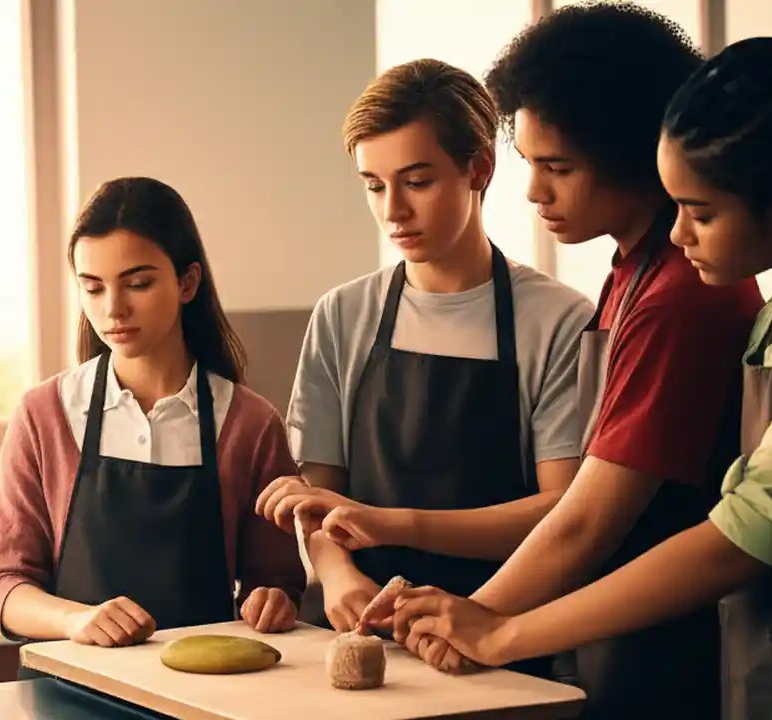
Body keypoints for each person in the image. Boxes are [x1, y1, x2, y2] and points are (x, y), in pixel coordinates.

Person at [390, 22, 772, 720]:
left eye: (559, 167)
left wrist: (493, 623)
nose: (534, 193)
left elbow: (725, 532)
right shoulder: (756, 301)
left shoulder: (690, 295)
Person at [254, 58, 593, 678]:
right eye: (373, 185)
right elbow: (317, 496)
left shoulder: (559, 320)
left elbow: (560, 510)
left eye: (416, 181)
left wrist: (393, 526)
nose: (393, 211)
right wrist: (337, 576)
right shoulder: (341, 316)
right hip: (364, 639)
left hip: (500, 643)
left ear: (478, 169)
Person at [0, 177, 305, 650]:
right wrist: (76, 621)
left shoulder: (249, 424)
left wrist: (272, 601)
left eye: (139, 283)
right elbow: (1, 585)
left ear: (187, 282)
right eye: (93, 288)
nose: (114, 309)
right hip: (69, 698)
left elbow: (276, 580)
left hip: (200, 697)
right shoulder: (44, 415)